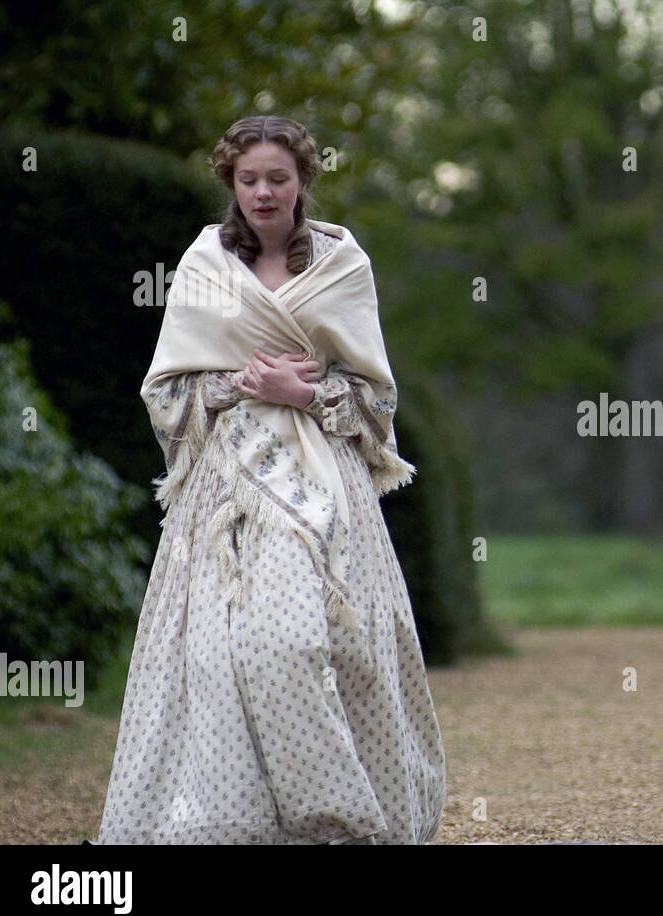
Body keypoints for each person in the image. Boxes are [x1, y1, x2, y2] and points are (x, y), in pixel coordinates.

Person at [93, 115, 446, 843]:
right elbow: (167, 395)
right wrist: (240, 384)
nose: (262, 192)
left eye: (277, 178)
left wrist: (305, 395)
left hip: (327, 485)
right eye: (248, 179)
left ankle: (345, 823)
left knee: (328, 647)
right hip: (227, 490)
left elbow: (376, 402)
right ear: (231, 182)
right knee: (226, 654)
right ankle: (233, 824)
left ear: (303, 181)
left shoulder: (344, 265)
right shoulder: (203, 266)